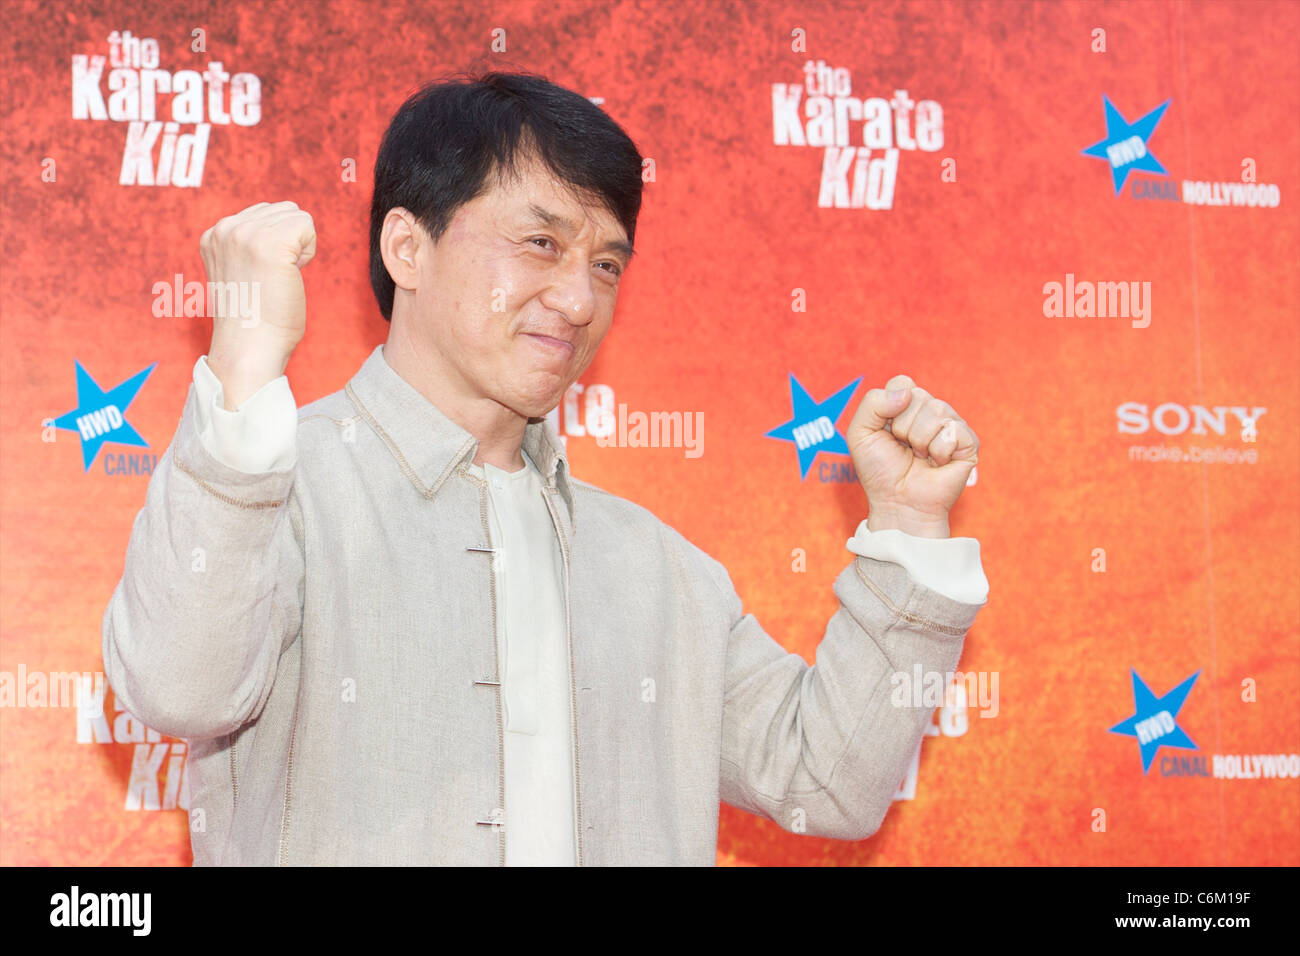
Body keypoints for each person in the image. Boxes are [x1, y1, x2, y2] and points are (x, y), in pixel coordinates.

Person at [102, 70, 989, 866]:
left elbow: (827, 782)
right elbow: (181, 688)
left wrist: (909, 533)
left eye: (606, 264)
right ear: (407, 248)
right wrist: (245, 372)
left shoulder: (660, 568)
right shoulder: (271, 494)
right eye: (541, 243)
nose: (578, 299)